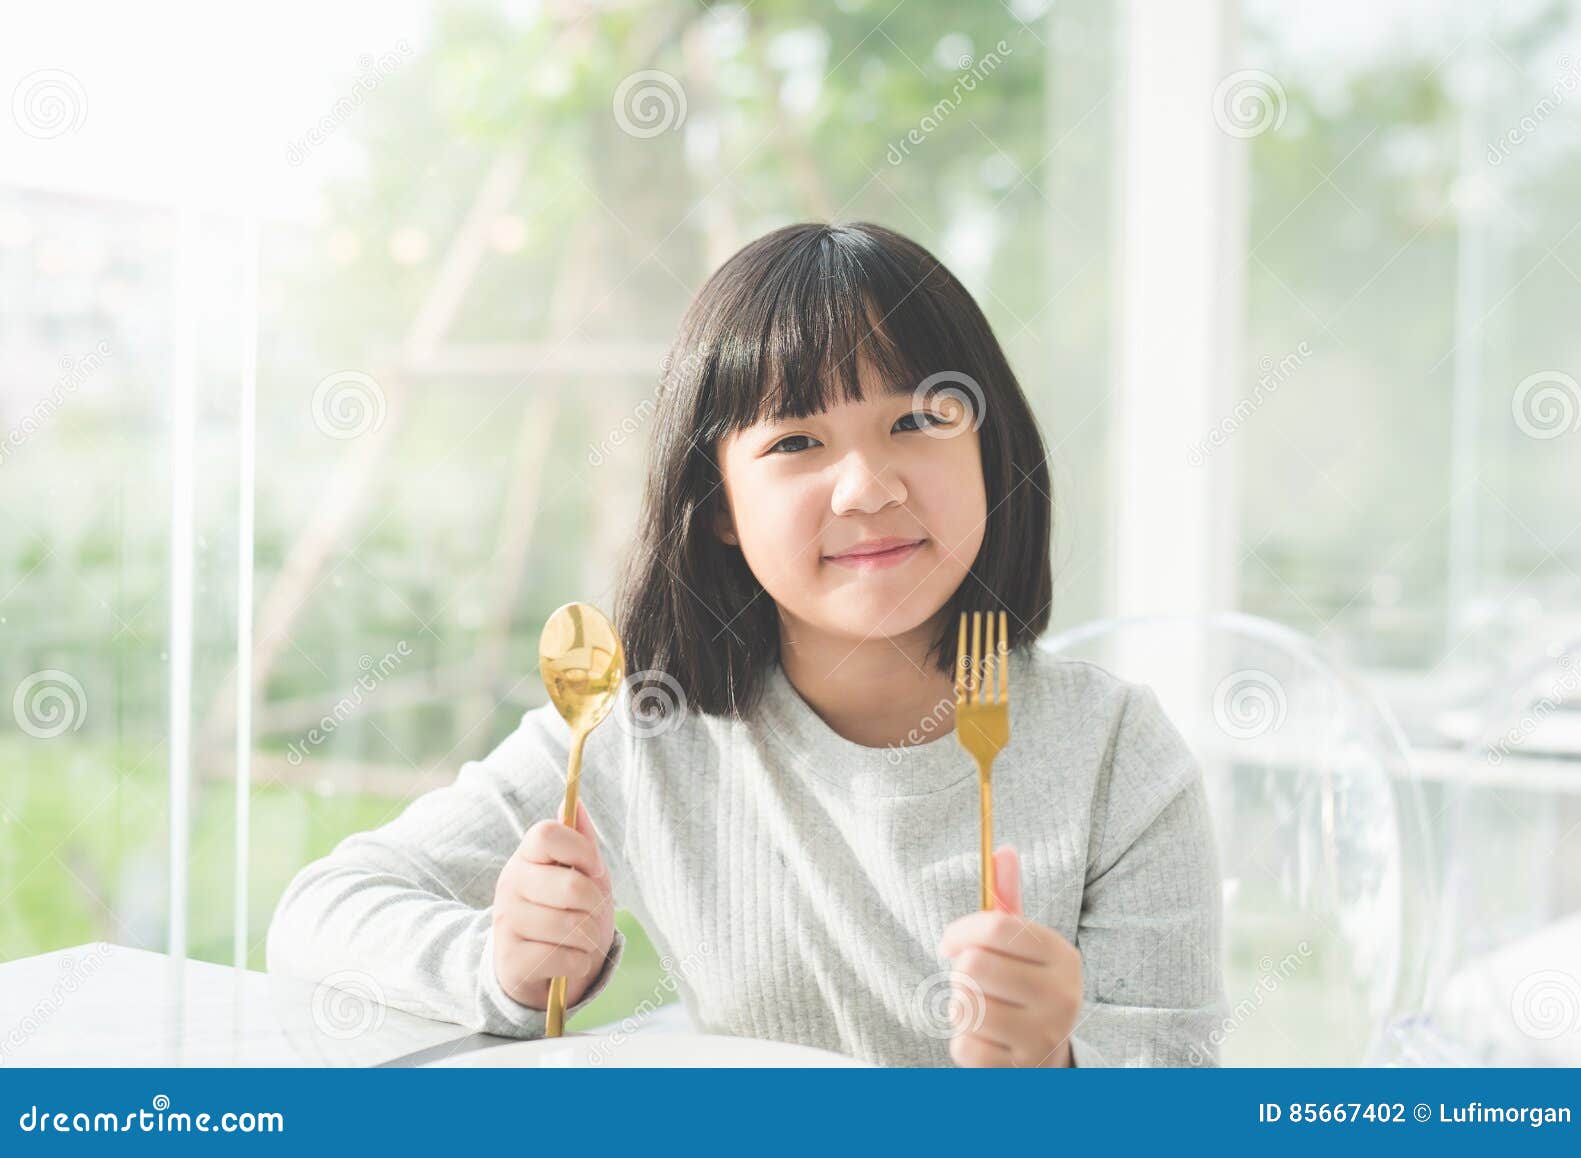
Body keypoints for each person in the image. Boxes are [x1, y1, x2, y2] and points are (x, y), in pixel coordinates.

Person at [266, 221, 1227, 1067]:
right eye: (796, 443)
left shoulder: (1112, 753)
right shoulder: (643, 732)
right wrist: (504, 967)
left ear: (989, 449)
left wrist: (1057, 1073)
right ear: (718, 506)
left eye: (915, 420)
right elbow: (323, 912)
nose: (868, 487)